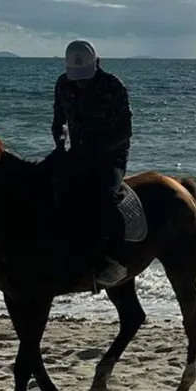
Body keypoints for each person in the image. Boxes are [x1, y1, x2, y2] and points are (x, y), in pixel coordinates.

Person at [52, 39, 138, 286]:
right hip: (76, 153)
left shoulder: (114, 87)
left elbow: (125, 131)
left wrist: (97, 151)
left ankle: (118, 261)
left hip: (111, 157)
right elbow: (58, 122)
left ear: (97, 63)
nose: (81, 82)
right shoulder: (62, 84)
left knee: (106, 196)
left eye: (85, 76)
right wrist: (60, 144)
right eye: (77, 77)